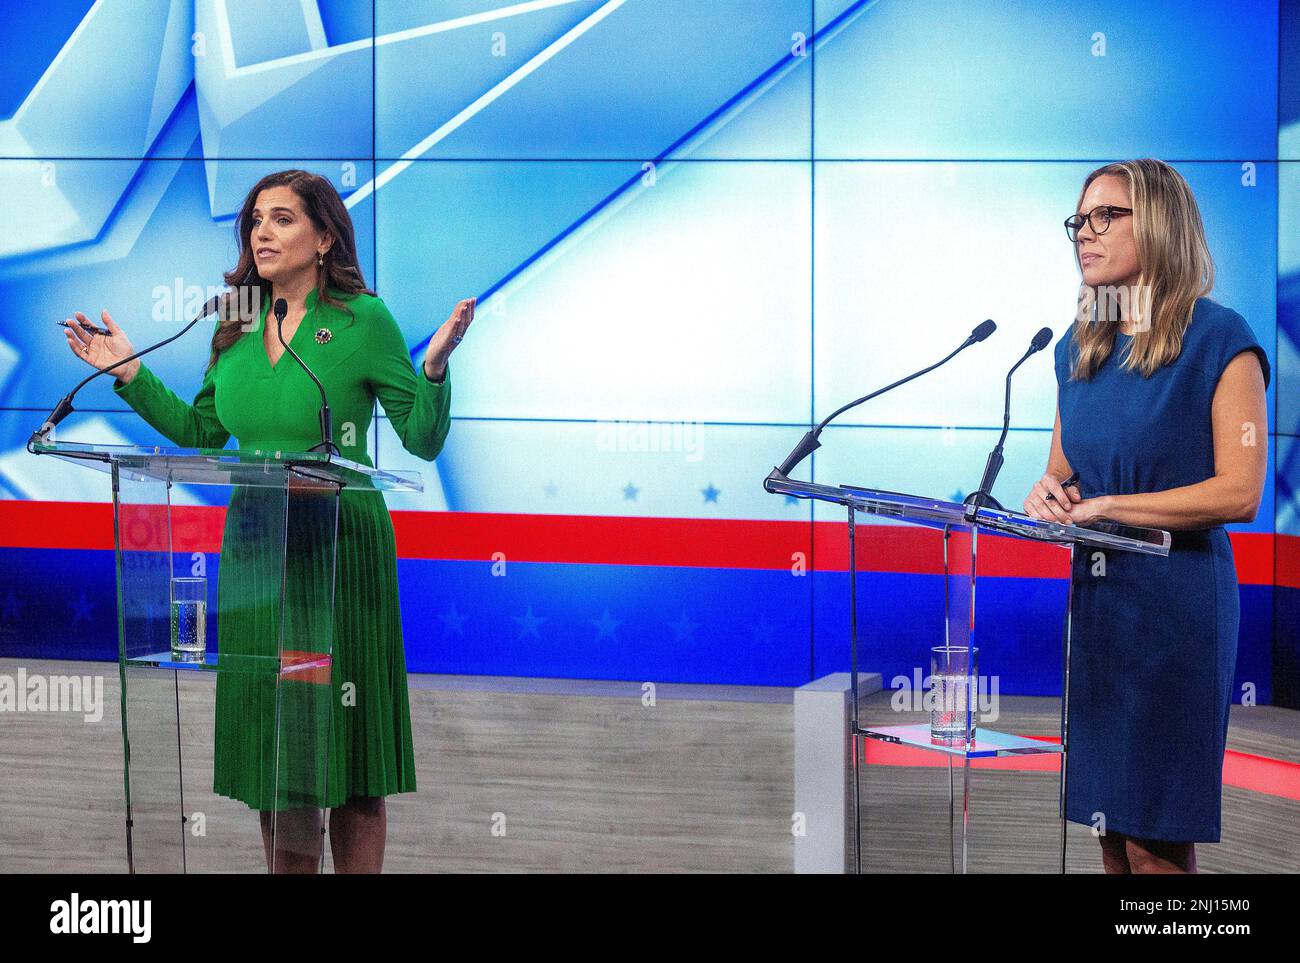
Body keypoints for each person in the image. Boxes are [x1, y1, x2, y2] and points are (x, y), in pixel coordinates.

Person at [63, 169, 475, 873]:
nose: (262, 232)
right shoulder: (234, 327)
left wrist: (432, 368)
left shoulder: (361, 321)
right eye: (255, 220)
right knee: (279, 756)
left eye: (283, 219)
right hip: (260, 549)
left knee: (347, 752)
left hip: (340, 550)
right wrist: (128, 371)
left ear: (322, 237)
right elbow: (201, 430)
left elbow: (422, 439)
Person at [1023, 158, 1269, 874]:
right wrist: (1048, 495)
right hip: (1101, 611)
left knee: (1152, 836)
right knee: (1109, 831)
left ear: (1159, 224)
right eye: (1079, 220)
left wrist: (1111, 505)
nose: (1085, 233)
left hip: (1176, 611)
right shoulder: (1078, 347)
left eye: (1107, 216)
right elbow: (1063, 472)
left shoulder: (1219, 338)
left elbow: (1240, 491)